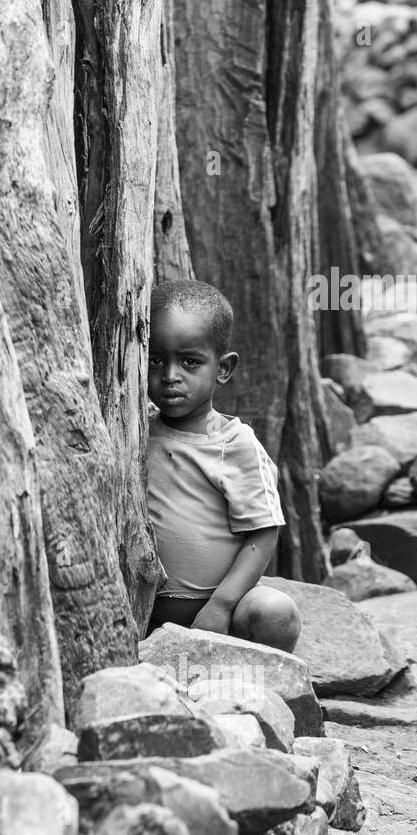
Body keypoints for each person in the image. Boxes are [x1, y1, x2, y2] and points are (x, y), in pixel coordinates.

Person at [144, 280, 300, 653]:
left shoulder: (235, 444)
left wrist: (222, 604)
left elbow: (263, 533)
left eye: (190, 362)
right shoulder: (135, 428)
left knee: (275, 612)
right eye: (156, 360)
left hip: (218, 612)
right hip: (143, 609)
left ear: (223, 369)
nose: (170, 376)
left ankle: (262, 694)